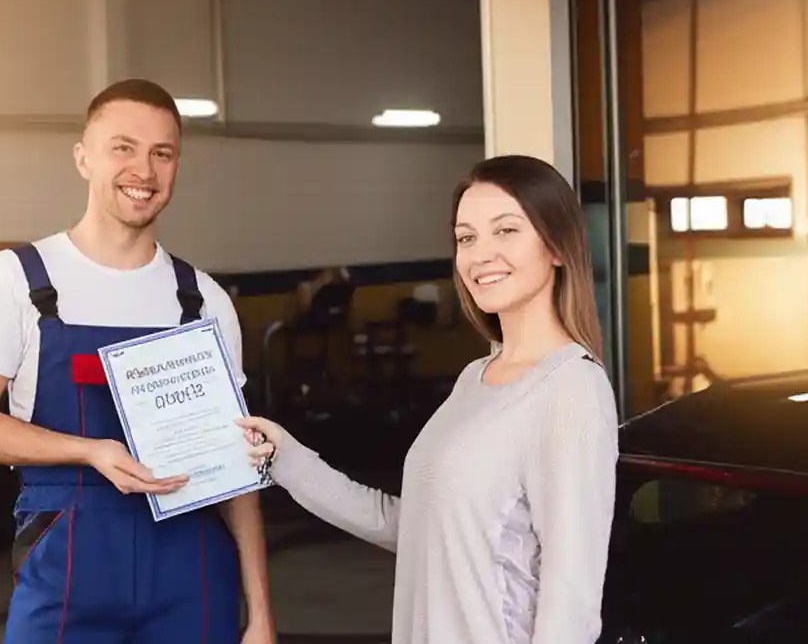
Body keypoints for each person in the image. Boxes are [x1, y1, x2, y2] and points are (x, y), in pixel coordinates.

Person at [0, 78, 275, 644]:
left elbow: (234, 472)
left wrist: (261, 614)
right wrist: (90, 451)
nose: (143, 170)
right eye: (123, 147)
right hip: (70, 560)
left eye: (162, 153)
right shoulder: (19, 279)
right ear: (83, 158)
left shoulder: (201, 300)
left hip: (190, 569)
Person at [239, 155, 618, 644]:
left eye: (505, 231)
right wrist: (288, 459)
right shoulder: (475, 378)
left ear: (558, 247)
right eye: (467, 237)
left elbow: (572, 602)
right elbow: (414, 527)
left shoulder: (571, 389)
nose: (481, 254)